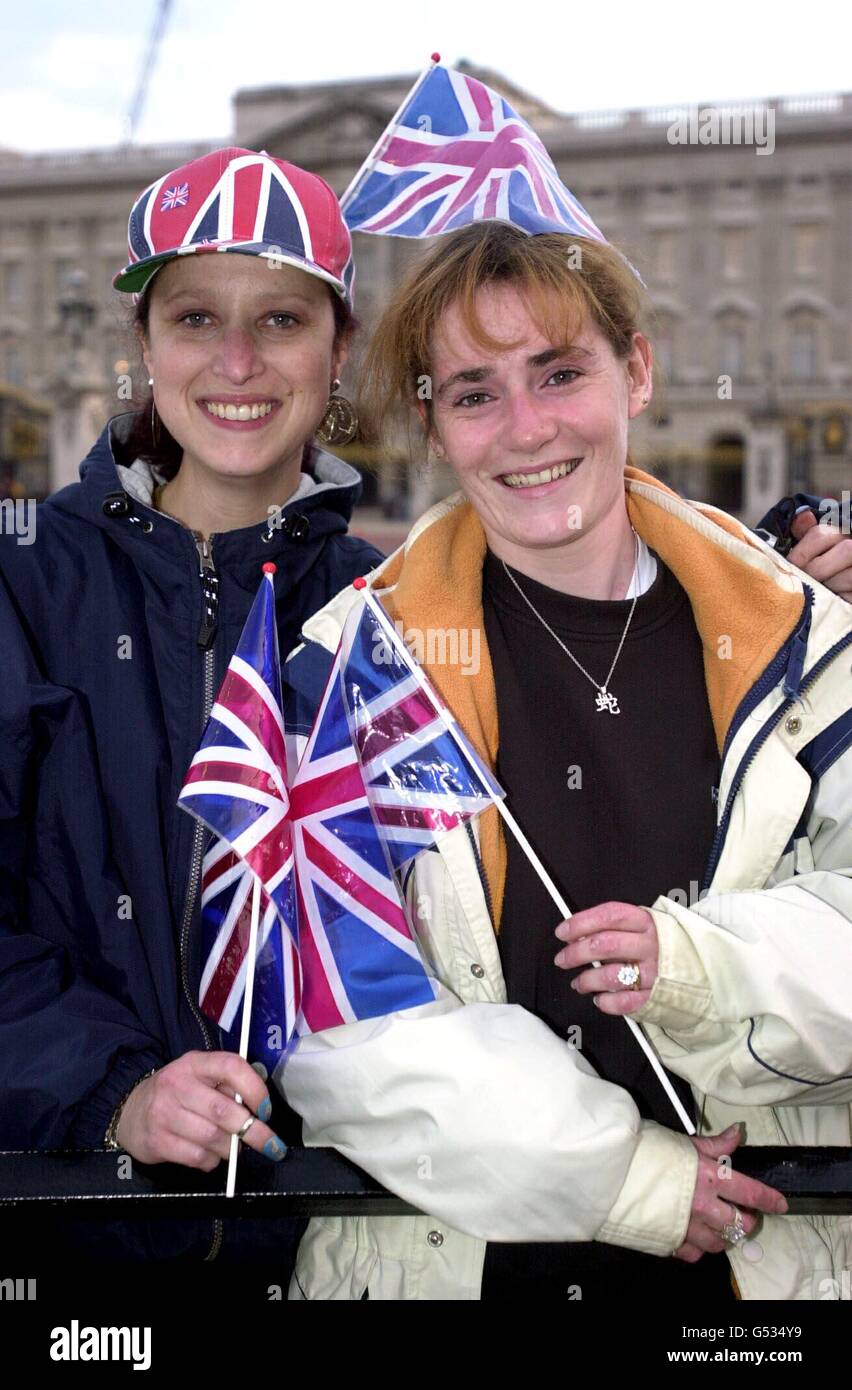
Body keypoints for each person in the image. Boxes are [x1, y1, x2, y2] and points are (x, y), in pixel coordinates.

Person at [278, 220, 852, 1301]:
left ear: (636, 372)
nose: (526, 428)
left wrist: (693, 964)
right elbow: (330, 1022)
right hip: (453, 1268)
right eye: (475, 392)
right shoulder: (354, 668)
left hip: (762, 1268)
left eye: (559, 372)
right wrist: (625, 1178)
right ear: (433, 425)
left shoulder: (812, 645)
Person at [0, 147, 384, 1269]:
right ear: (146, 347)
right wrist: (112, 1090)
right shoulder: (21, 577)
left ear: (338, 346)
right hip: (68, 1222)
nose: (235, 361)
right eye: (194, 318)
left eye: (279, 320)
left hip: (335, 1240)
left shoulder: (391, 602)